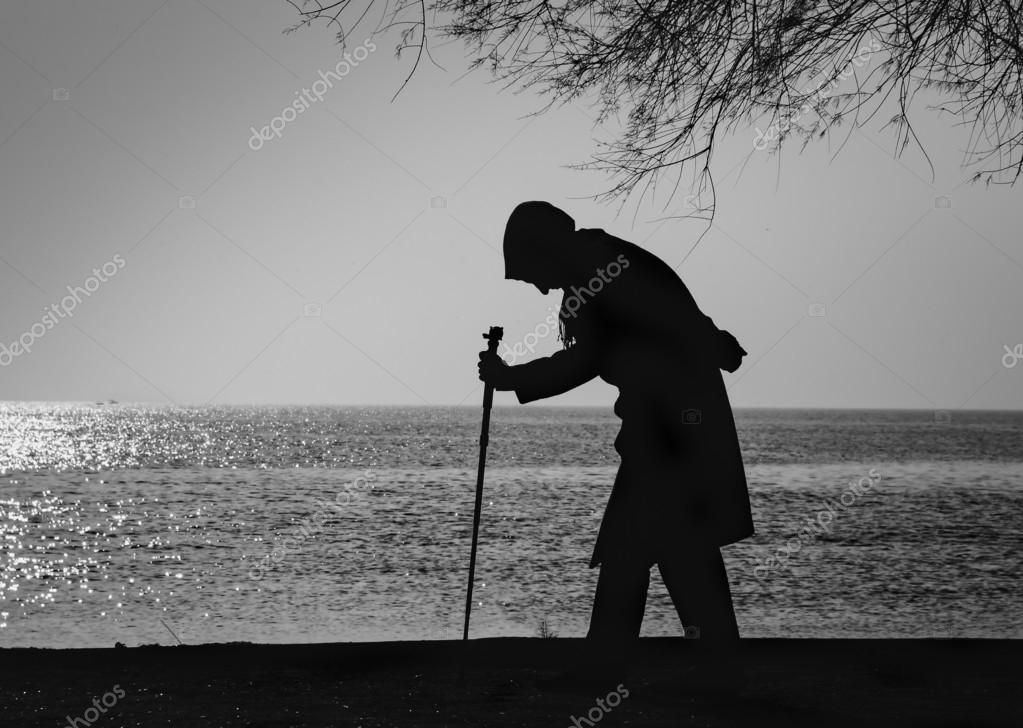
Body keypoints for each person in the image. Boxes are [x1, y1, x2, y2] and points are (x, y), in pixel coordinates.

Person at [478, 201, 754, 641]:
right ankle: (702, 652)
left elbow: (586, 360)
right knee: (672, 546)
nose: (538, 288)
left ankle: (615, 658)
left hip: (673, 432)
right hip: (669, 429)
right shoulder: (598, 263)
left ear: (544, 249)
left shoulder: (598, 268)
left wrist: (512, 377)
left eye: (531, 272)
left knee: (643, 546)